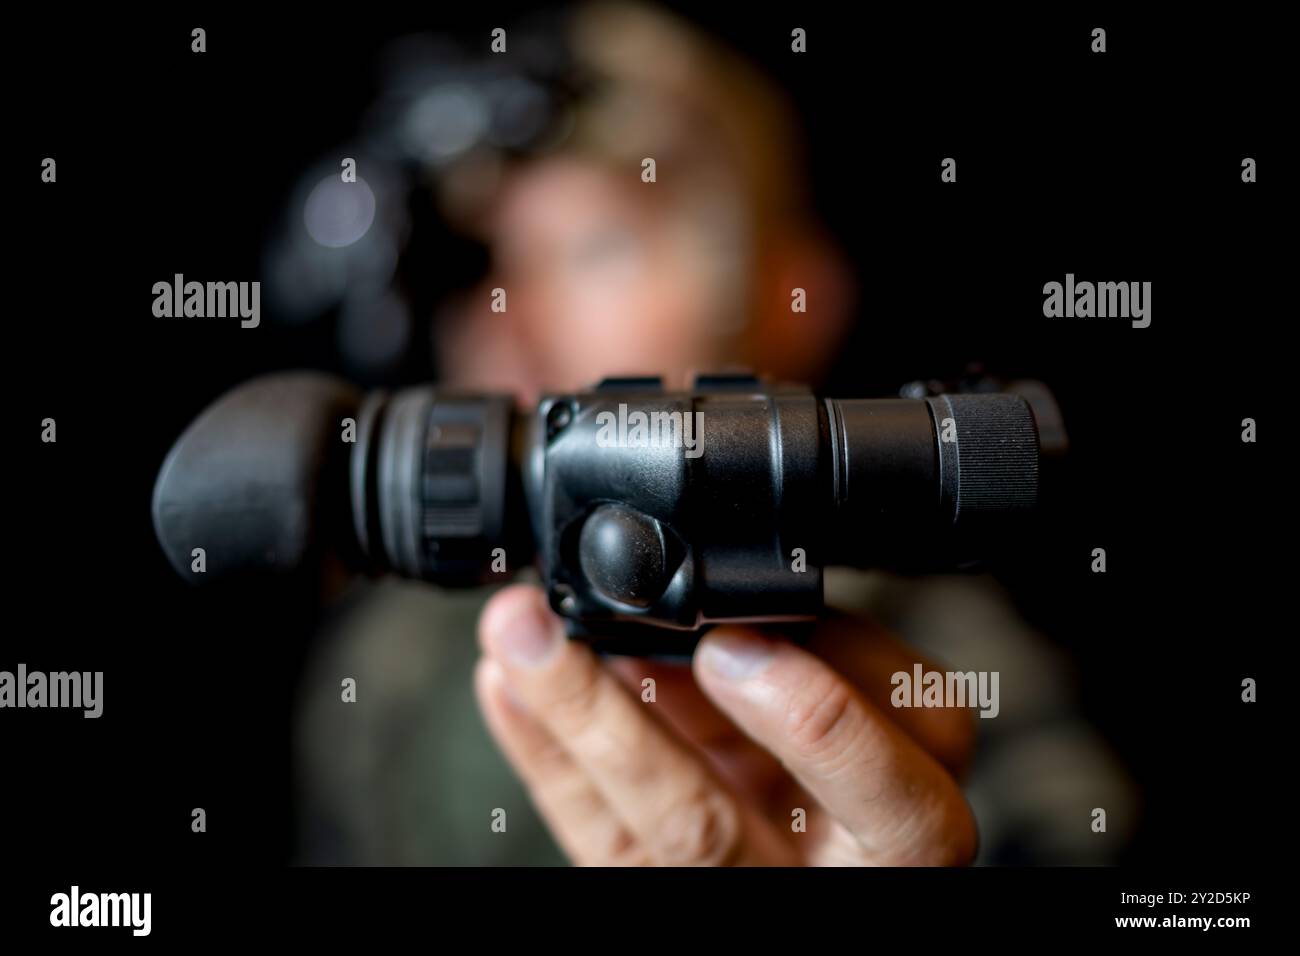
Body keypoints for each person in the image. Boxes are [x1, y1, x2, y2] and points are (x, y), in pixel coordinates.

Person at [295, 1, 1134, 866]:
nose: (516, 316)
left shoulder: (944, 667)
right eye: (489, 267)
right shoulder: (387, 658)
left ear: (791, 293)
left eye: (596, 250)